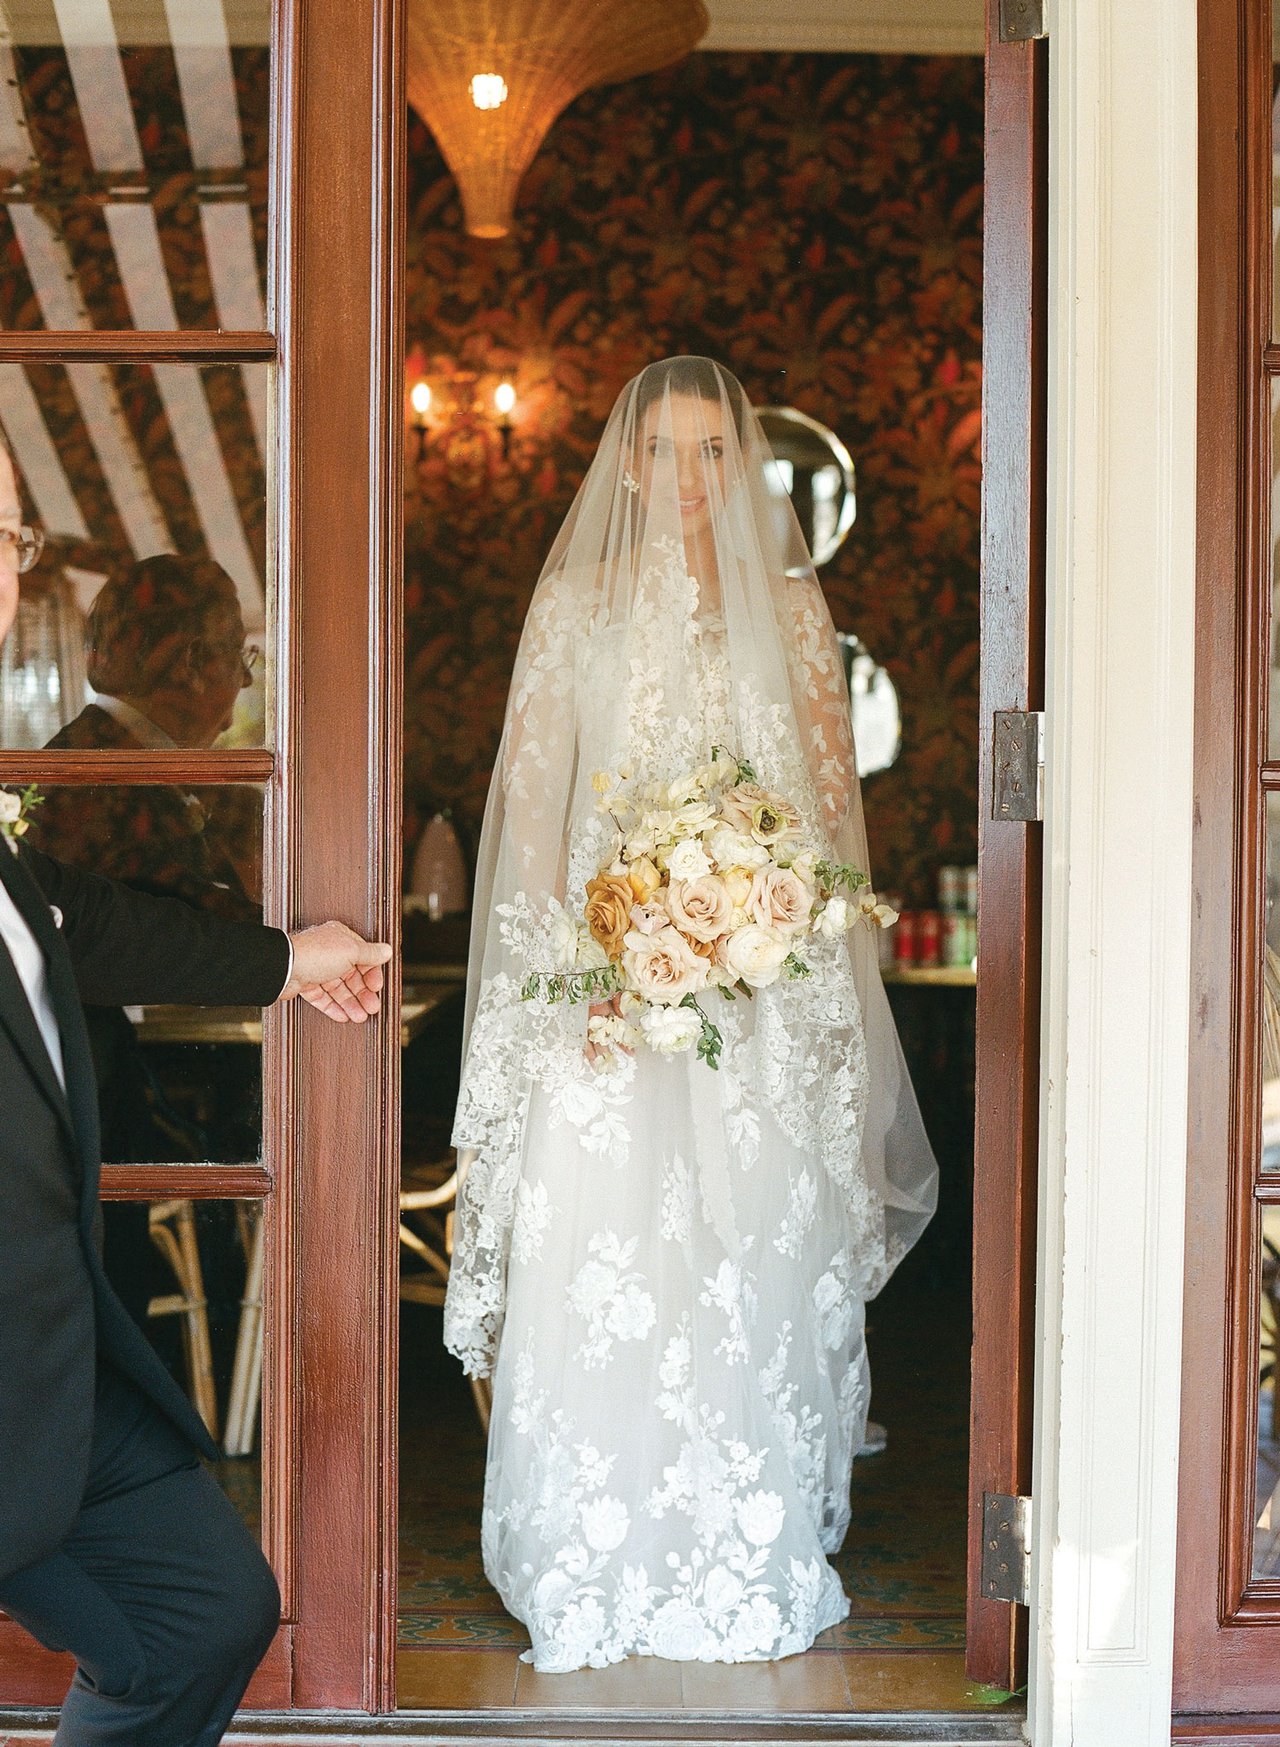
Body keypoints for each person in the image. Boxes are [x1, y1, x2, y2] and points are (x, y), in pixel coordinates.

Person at [442, 357, 939, 1673]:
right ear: (627, 466)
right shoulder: (577, 607)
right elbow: (537, 815)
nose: (685, 480)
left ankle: (743, 1538)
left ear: (746, 468)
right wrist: (591, 969)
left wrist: (761, 922)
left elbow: (834, 831)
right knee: (616, 1268)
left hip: (755, 1016)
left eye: (713, 453)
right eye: (662, 452)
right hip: (602, 1013)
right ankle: (587, 1550)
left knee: (740, 1267)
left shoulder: (793, 619)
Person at [0, 439, 394, 1746]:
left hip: (50, 1347)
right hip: (50, 1300)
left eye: (18, 543)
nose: (19, 572)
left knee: (206, 1612)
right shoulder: (93, 766)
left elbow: (98, 925)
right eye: (2, 539)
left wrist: (288, 958)